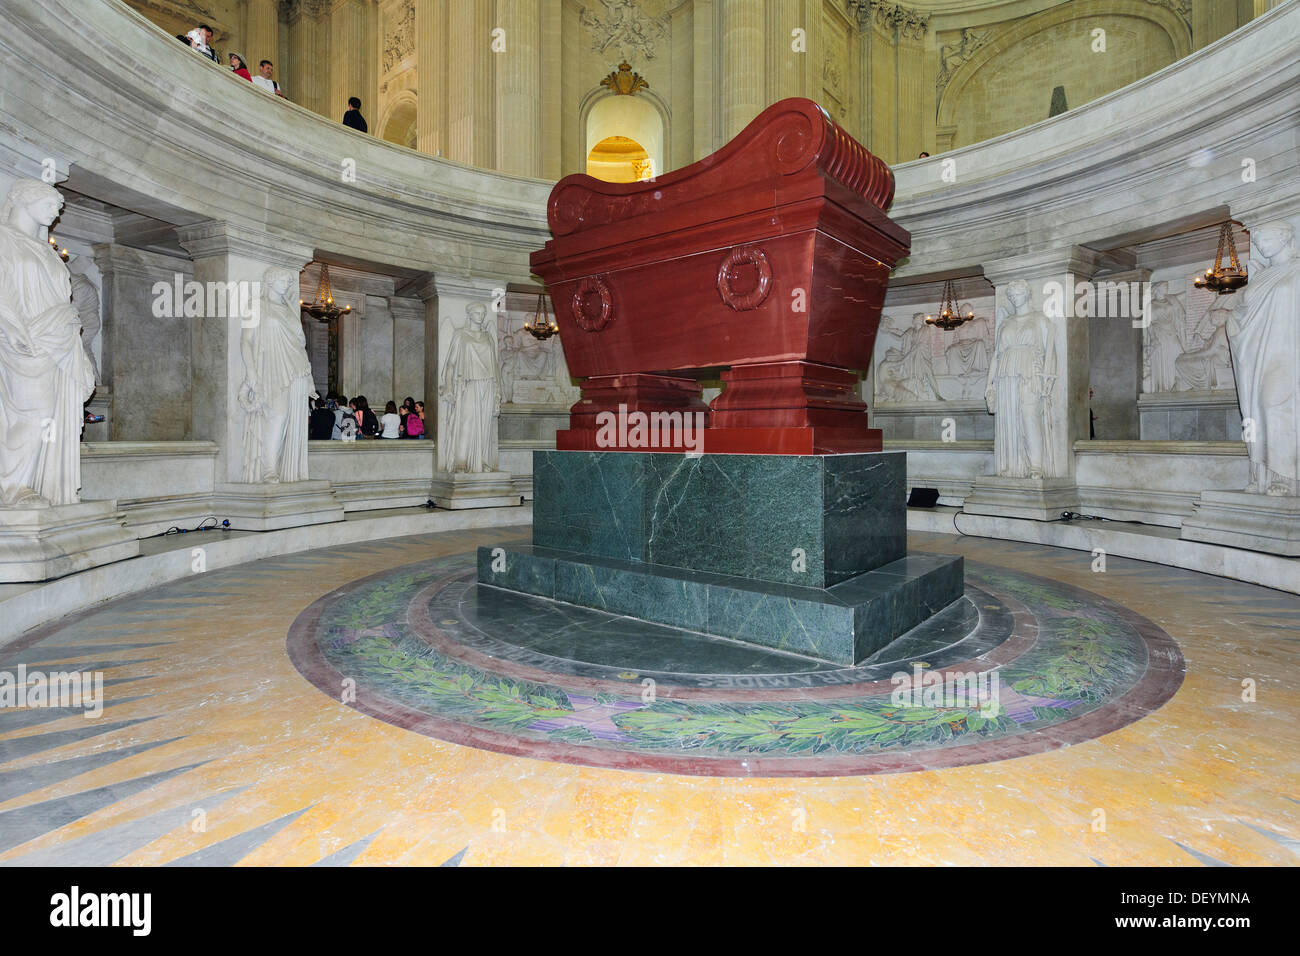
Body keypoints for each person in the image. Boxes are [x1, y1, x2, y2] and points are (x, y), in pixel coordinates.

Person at [0, 179, 97, 506]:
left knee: (55, 414)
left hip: (61, 338)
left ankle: (45, 487)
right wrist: (9, 326)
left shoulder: (46, 250)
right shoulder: (4, 239)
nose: (58, 209)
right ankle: (12, 487)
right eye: (52, 201)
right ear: (23, 198)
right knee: (34, 411)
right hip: (26, 340)